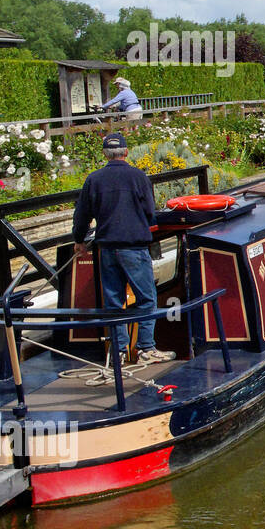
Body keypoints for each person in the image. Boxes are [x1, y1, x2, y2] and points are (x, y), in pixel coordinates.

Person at [72, 132, 175, 366]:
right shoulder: (138, 177)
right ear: (126, 152)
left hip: (107, 247)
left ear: (104, 154)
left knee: (113, 301)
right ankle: (146, 349)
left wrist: (79, 239)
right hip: (133, 246)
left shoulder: (94, 179)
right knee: (146, 298)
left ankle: (118, 351)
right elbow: (150, 211)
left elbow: (82, 214)